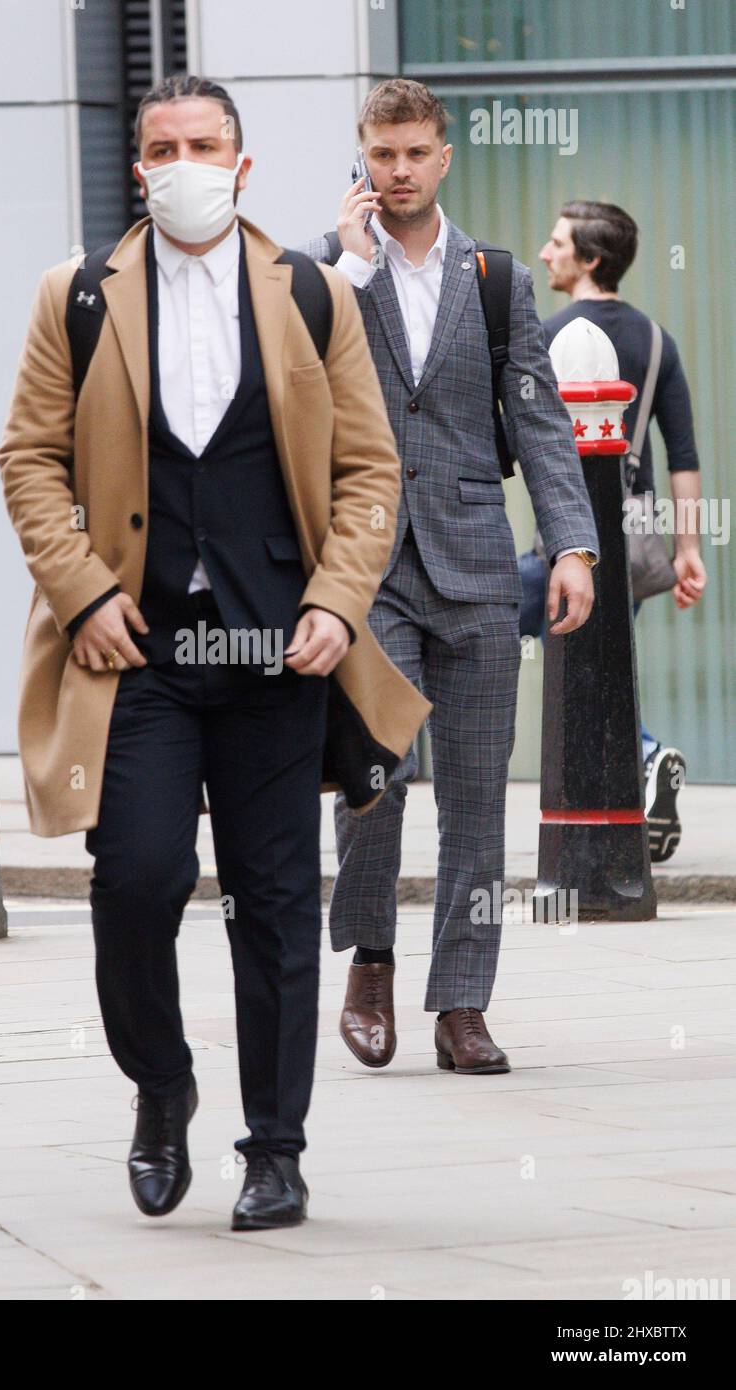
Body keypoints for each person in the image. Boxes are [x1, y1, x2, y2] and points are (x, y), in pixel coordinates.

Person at [0, 75, 428, 1231]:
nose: (182, 161)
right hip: (133, 652)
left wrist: (340, 602)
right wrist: (82, 589)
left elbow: (369, 471)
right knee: (134, 883)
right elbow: (29, 458)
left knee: (278, 904)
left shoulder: (313, 296)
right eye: (161, 146)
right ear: (138, 166)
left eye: (204, 143)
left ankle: (275, 1148)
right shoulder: (76, 295)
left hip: (277, 652)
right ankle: (162, 1081)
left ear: (242, 162)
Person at [300, 78, 598, 1076]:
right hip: (366, 567)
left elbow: (542, 423)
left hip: (473, 561)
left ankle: (463, 1002)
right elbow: (291, 392)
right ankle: (372, 960)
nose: (398, 171)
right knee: (373, 780)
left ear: (443, 156)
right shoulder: (321, 274)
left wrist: (571, 546)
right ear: (361, 157)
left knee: (478, 797)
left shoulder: (498, 278)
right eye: (381, 155)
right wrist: (342, 268)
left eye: (414, 153)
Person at [530, 201, 707, 863]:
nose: (545, 253)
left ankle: (646, 754)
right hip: (636, 540)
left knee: (498, 625)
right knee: (604, 666)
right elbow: (683, 456)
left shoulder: (552, 335)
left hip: (568, 541)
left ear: (589, 259)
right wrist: (688, 551)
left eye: (556, 244)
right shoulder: (659, 340)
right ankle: (620, 796)